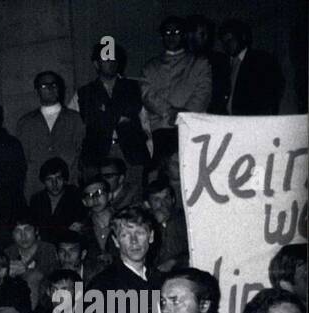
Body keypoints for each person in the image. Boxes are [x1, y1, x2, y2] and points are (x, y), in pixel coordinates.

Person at [75, 38, 148, 193]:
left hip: (131, 151)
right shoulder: (85, 92)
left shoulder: (132, 86)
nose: (111, 62)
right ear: (96, 63)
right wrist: (118, 116)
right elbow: (90, 118)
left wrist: (103, 112)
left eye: (114, 58)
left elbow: (131, 110)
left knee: (135, 194)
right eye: (106, 59)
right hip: (98, 153)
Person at [143, 16, 211, 167]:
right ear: (161, 37)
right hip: (161, 129)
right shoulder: (150, 66)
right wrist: (169, 112)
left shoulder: (200, 63)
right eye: (167, 32)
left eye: (176, 31)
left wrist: (183, 115)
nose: (172, 36)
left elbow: (203, 92)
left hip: (191, 127)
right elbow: (147, 94)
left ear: (184, 35)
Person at [15, 72, 85, 201]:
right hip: (35, 187)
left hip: (68, 185)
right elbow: (21, 160)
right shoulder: (25, 122)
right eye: (44, 86)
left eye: (54, 85)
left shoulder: (75, 119)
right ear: (37, 91)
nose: (50, 88)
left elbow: (81, 152)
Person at [218, 19, 285, 115]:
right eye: (224, 42)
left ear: (242, 37)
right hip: (229, 121)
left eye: (230, 40)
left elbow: (275, 88)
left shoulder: (260, 59)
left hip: (251, 121)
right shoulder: (224, 64)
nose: (227, 45)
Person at [29, 159, 84, 240]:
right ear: (43, 181)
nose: (54, 184)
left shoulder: (75, 195)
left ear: (64, 179)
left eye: (58, 178)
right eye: (49, 179)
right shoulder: (36, 199)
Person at [145, 179, 189, 273]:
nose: (163, 204)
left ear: (173, 200)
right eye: (157, 200)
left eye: (166, 198)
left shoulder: (184, 220)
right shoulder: (143, 223)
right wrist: (156, 224)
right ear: (147, 204)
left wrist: (174, 261)